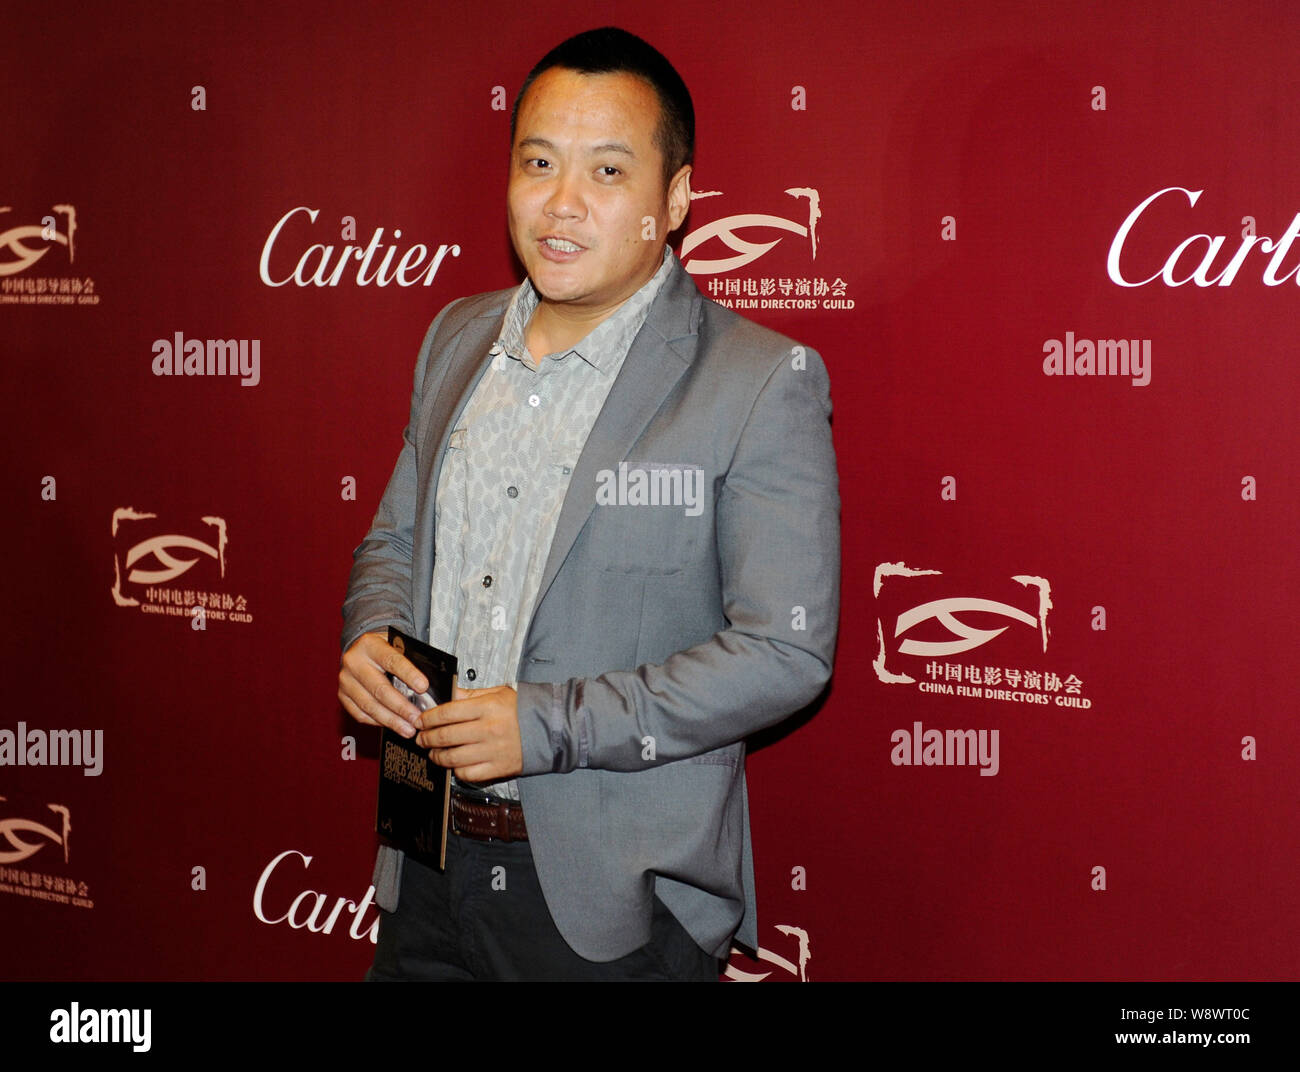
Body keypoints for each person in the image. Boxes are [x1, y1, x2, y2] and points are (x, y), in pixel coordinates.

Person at [338, 26, 840, 981]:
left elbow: (785, 649)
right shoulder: (456, 336)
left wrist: (550, 722)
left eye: (608, 172)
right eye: (538, 162)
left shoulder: (758, 380)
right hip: (423, 850)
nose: (562, 204)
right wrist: (372, 633)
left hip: (608, 901)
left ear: (676, 198)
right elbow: (396, 540)